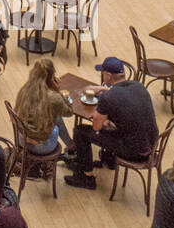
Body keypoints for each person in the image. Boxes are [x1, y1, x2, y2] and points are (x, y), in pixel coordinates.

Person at [64, 56, 159, 190]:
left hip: (133, 151)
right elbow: (120, 92)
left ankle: (86, 177)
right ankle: (108, 160)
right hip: (151, 144)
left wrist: (100, 118)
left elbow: (96, 127)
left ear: (108, 75)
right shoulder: (138, 86)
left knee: (81, 131)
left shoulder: (109, 98)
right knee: (114, 124)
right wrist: (101, 89)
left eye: (102, 72)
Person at [14, 58, 74, 155]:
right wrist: (64, 95)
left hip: (22, 139)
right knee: (56, 127)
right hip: (41, 146)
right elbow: (69, 112)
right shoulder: (54, 98)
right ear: (52, 76)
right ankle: (71, 146)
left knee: (57, 118)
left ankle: (71, 144)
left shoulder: (25, 89)